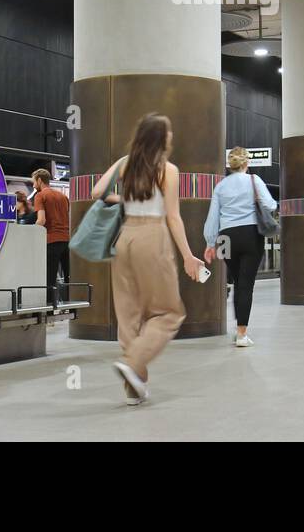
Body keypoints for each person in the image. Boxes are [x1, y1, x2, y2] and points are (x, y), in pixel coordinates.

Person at [90, 113, 203, 406]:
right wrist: (189, 256)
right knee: (168, 312)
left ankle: (134, 387)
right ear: (161, 138)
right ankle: (133, 363)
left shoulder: (124, 163)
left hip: (124, 238)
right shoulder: (168, 170)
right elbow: (173, 217)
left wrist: (124, 200)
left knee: (128, 314)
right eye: (168, 133)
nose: (171, 137)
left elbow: (97, 192)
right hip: (152, 238)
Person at [203, 146, 278, 347]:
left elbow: (213, 216)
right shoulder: (254, 180)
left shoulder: (220, 186)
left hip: (227, 237)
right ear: (246, 163)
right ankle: (242, 334)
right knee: (246, 284)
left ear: (230, 165)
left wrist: (210, 243)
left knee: (237, 281)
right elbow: (271, 205)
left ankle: (239, 329)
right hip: (250, 235)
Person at [32, 169, 70, 305]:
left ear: (40, 180)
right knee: (68, 276)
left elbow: (41, 220)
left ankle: (49, 308)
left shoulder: (40, 196)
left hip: (51, 241)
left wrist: (31, 232)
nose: (33, 185)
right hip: (66, 241)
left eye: (33, 181)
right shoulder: (63, 197)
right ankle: (70, 306)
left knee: (50, 277)